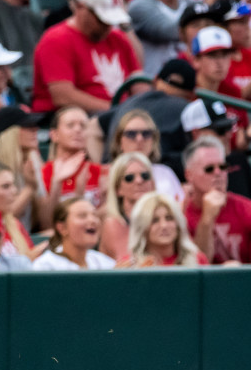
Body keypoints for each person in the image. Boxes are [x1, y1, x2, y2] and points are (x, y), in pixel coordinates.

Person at [31, 0, 142, 114]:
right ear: (80, 8)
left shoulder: (118, 38)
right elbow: (63, 97)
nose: (107, 26)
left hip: (119, 116)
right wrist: (116, 111)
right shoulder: (56, 39)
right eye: (101, 20)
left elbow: (138, 80)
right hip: (75, 120)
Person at [181, 134, 251, 263]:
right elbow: (197, 266)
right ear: (189, 175)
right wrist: (207, 219)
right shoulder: (181, 214)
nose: (218, 173)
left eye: (223, 167)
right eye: (209, 169)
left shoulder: (245, 208)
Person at [38, 105, 105, 229]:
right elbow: (46, 224)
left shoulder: (102, 172)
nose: (78, 130)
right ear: (54, 134)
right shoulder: (41, 173)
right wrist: (56, 183)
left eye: (83, 126)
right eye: (70, 125)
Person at [108, 109, 184, 203]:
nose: (140, 139)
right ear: (119, 142)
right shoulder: (107, 174)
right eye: (131, 134)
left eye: (146, 134)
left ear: (154, 141)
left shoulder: (165, 173)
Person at [99, 152, 156, 261]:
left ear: (152, 183)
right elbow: (127, 261)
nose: (139, 181)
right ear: (117, 189)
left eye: (145, 176)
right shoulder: (113, 224)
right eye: (129, 178)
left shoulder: (166, 217)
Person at [32, 196, 115, 270]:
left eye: (94, 215)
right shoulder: (45, 266)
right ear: (62, 228)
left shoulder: (102, 261)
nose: (92, 220)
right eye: (82, 216)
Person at [125, 191, 206, 266]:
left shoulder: (197, 260)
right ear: (142, 228)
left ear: (178, 224)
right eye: (155, 220)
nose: (164, 225)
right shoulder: (129, 265)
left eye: (169, 218)